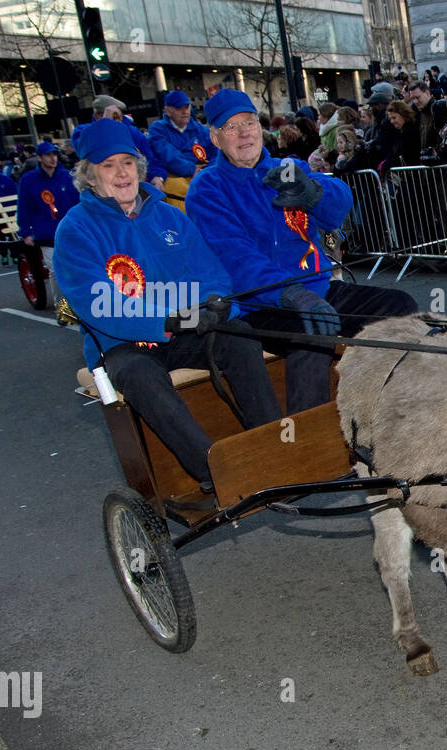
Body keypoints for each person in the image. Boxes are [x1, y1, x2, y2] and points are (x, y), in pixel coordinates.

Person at [53, 120, 282, 496]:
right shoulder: (75, 230)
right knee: (140, 375)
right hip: (121, 345)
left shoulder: (170, 216)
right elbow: (99, 303)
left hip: (183, 326)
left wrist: (212, 305)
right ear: (90, 176)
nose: (121, 173)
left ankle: (270, 443)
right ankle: (211, 467)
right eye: (108, 165)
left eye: (127, 162)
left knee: (239, 336)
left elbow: (212, 274)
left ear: (139, 168)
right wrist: (167, 317)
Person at [186, 89, 417, 413]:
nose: (243, 133)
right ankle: (306, 450)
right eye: (231, 127)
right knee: (312, 335)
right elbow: (235, 258)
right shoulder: (207, 188)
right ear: (214, 137)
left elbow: (338, 208)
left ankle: (384, 412)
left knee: (401, 307)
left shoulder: (286, 166)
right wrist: (291, 294)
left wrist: (311, 192)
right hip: (260, 303)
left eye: (249, 123)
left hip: (319, 288)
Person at [15, 141, 80, 288]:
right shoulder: (28, 180)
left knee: (76, 268)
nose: (52, 158)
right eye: (48, 155)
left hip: (70, 231)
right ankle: (62, 308)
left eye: (54, 154)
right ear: (39, 158)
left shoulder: (68, 176)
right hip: (46, 232)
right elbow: (24, 207)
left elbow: (78, 203)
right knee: (56, 271)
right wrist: (25, 232)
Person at [71, 95, 167, 188]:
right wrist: (106, 123)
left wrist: (157, 176)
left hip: (137, 186)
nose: (116, 121)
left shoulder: (133, 132)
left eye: (118, 116)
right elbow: (83, 150)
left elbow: (150, 159)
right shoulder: (83, 132)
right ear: (97, 116)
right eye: (113, 116)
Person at [147, 90, 218, 212]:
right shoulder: (158, 129)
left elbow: (217, 153)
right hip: (175, 177)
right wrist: (193, 170)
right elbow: (168, 156)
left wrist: (206, 171)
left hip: (204, 173)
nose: (185, 111)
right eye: (179, 108)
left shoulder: (201, 130)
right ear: (167, 110)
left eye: (187, 107)